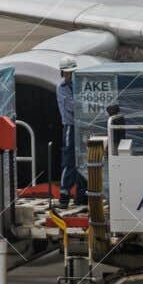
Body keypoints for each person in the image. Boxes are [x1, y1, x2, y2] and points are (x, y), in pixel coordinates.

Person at [56, 57, 86, 206]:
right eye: (67, 73)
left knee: (84, 159)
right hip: (71, 126)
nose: (70, 75)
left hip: (83, 126)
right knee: (69, 159)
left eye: (72, 72)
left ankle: (82, 194)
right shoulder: (62, 88)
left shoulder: (80, 85)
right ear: (62, 72)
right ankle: (64, 193)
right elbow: (74, 107)